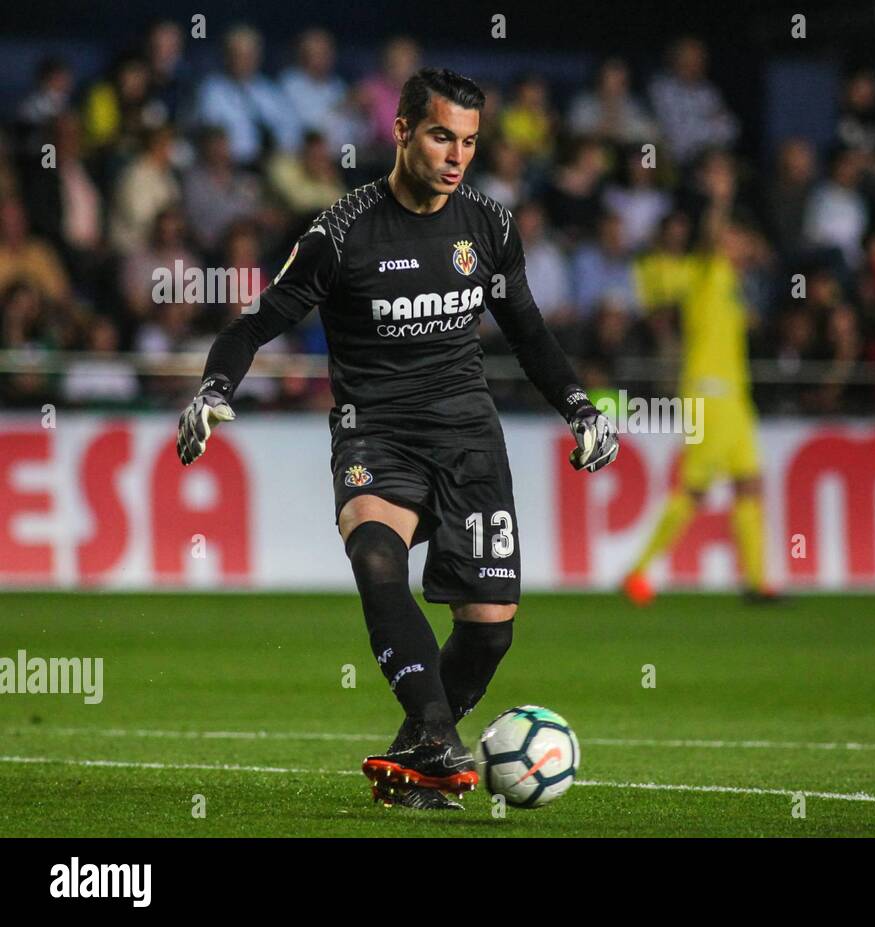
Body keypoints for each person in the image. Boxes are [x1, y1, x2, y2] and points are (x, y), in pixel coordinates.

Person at [175, 68, 618, 811]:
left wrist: (581, 406)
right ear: (403, 130)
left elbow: (529, 333)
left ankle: (419, 747)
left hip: (469, 434)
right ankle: (440, 739)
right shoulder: (340, 232)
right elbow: (255, 322)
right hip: (375, 429)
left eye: (471, 142)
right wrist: (215, 387)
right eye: (443, 135)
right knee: (376, 553)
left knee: (489, 630)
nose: (457, 156)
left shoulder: (489, 226)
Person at [622, 153, 775, 605]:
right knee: (695, 489)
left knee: (749, 484)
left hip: (736, 399)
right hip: (709, 394)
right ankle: (638, 571)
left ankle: (758, 582)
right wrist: (719, 199)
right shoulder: (704, 270)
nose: (739, 244)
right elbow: (709, 241)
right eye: (734, 238)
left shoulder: (730, 279)